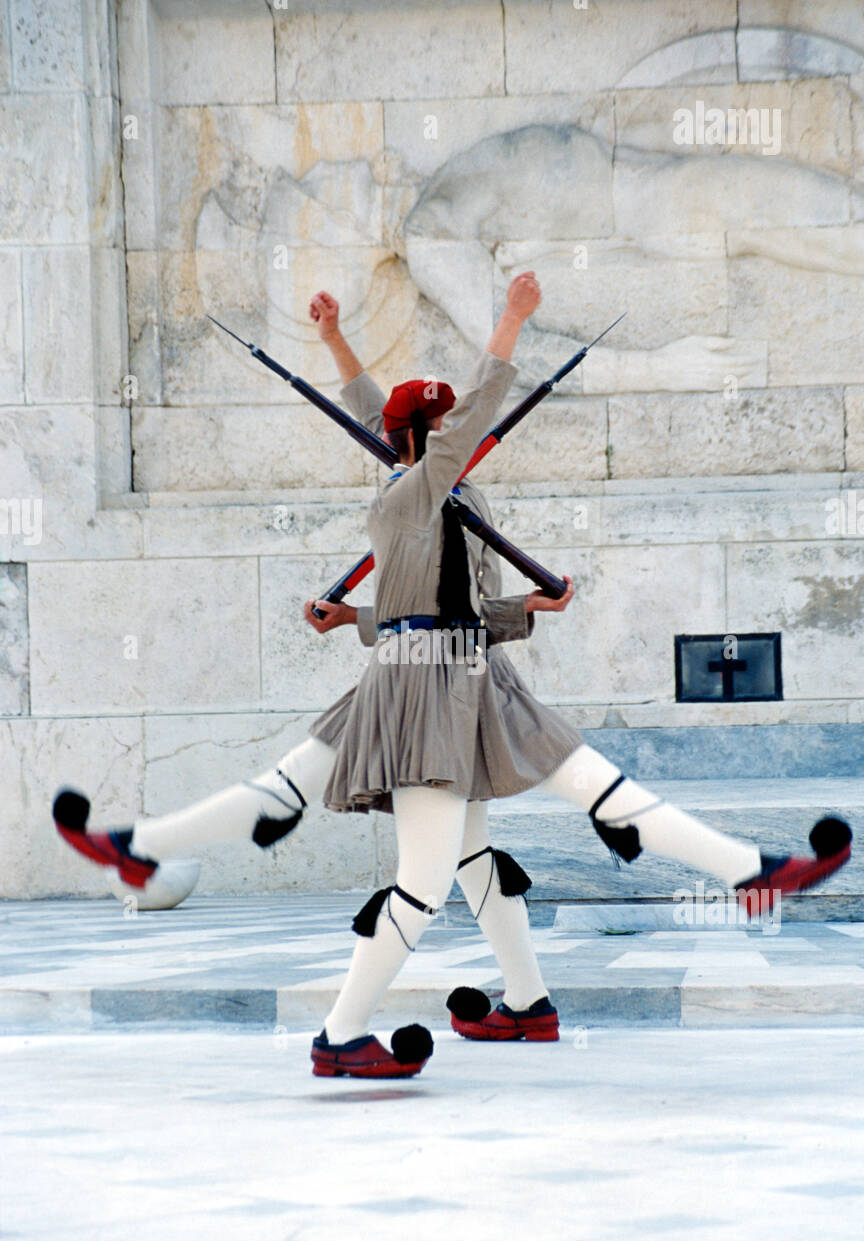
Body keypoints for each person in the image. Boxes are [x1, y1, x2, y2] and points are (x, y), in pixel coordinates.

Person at [55, 279, 852, 1080]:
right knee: (413, 866)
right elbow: (426, 464)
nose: (455, 440)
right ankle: (337, 1031)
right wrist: (510, 322)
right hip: (420, 695)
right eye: (438, 433)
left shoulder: (450, 500)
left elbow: (444, 604)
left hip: (468, 678)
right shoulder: (406, 499)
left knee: (548, 806)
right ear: (418, 445)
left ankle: (545, 992)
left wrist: (526, 607)